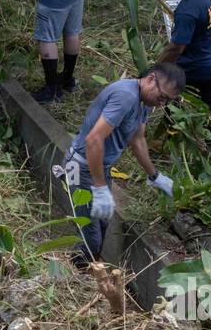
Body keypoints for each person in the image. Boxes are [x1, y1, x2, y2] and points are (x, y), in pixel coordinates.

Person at [60, 63, 185, 266]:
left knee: (102, 222)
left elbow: (137, 140)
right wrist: (99, 188)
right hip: (79, 167)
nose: (162, 104)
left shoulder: (144, 103)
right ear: (151, 79)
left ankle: (88, 270)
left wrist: (155, 177)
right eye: (162, 97)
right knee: (89, 236)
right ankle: (76, 278)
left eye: (168, 101)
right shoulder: (125, 96)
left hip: (99, 168)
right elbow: (93, 140)